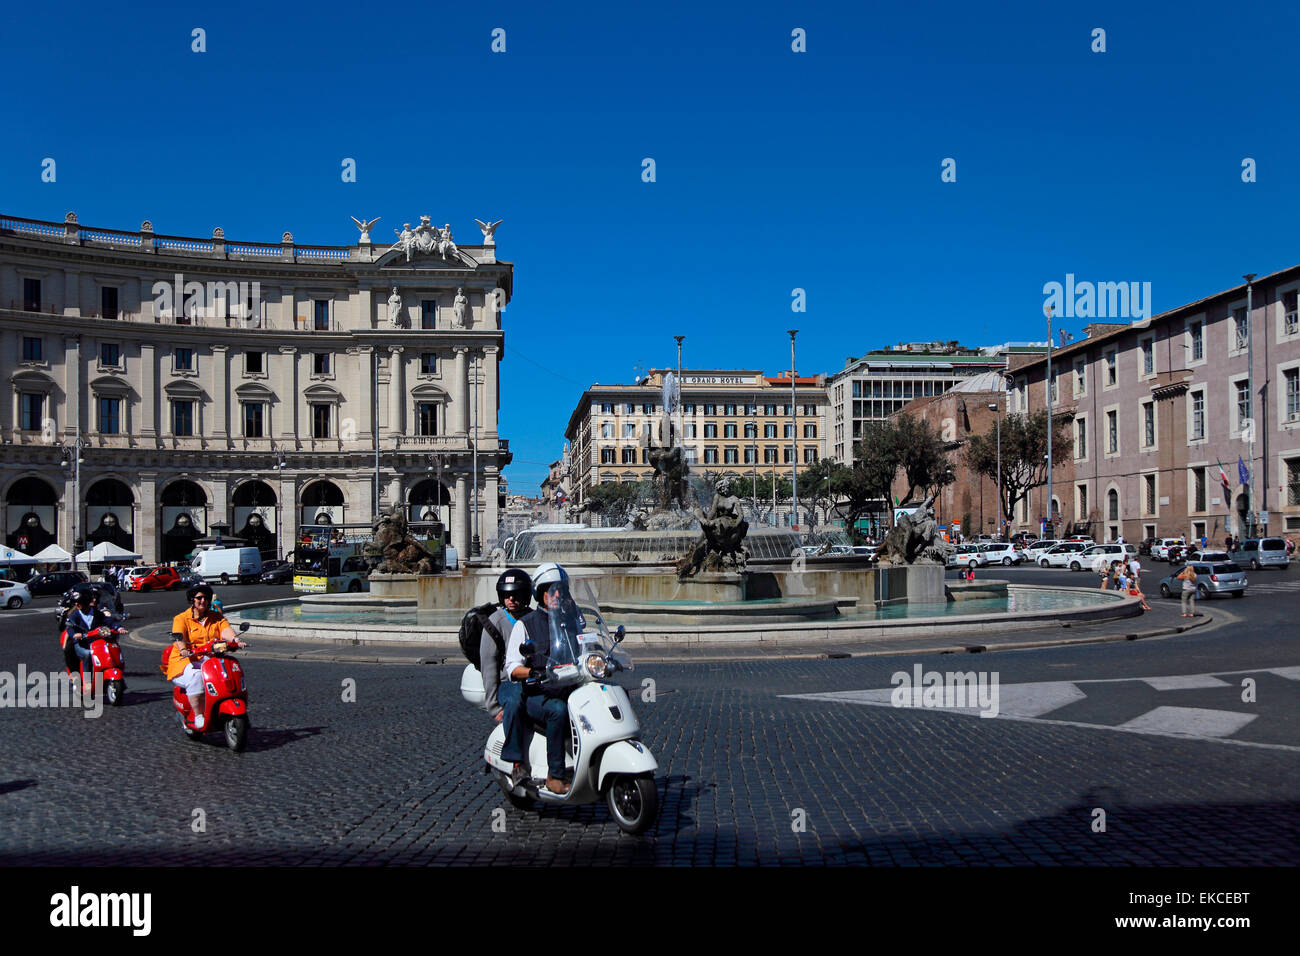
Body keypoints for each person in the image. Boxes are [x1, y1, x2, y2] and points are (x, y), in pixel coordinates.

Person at [499, 563, 576, 795]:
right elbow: (512, 667)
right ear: (540, 594)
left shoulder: (570, 622)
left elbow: (586, 646)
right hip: (537, 693)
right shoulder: (526, 625)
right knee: (558, 710)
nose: (557, 595)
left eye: (561, 590)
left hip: (567, 687)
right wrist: (533, 672)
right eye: (551, 590)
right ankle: (555, 776)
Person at [165, 584, 238, 729]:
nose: (203, 600)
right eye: (199, 597)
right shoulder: (181, 619)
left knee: (229, 670)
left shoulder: (216, 617)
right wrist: (183, 649)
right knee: (197, 676)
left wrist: (236, 640)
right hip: (185, 661)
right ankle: (198, 715)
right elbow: (178, 637)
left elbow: (226, 630)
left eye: (206, 598)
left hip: (209, 659)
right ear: (192, 599)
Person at [480, 568, 533, 723]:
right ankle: (513, 748)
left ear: (526, 595)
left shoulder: (533, 618)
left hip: (533, 678)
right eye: (506, 595)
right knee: (515, 704)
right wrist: (494, 707)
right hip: (508, 682)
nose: (511, 598)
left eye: (516, 594)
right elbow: (489, 667)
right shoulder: (495, 622)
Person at [61, 585, 116, 685]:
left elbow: (107, 619)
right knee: (75, 650)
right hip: (81, 639)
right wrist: (74, 634)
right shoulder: (74, 613)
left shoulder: (97, 611)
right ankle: (84, 680)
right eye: (93, 597)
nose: (94, 599)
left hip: (96, 638)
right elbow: (69, 627)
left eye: (96, 597)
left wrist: (118, 626)